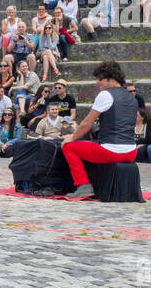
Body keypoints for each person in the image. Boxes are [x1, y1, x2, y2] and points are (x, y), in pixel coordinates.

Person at [58, 60, 139, 198]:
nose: (97, 82)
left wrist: (72, 137)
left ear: (111, 79)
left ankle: (83, 185)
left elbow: (87, 123)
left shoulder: (106, 94)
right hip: (131, 151)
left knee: (69, 147)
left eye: (100, 79)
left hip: (111, 151)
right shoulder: (132, 98)